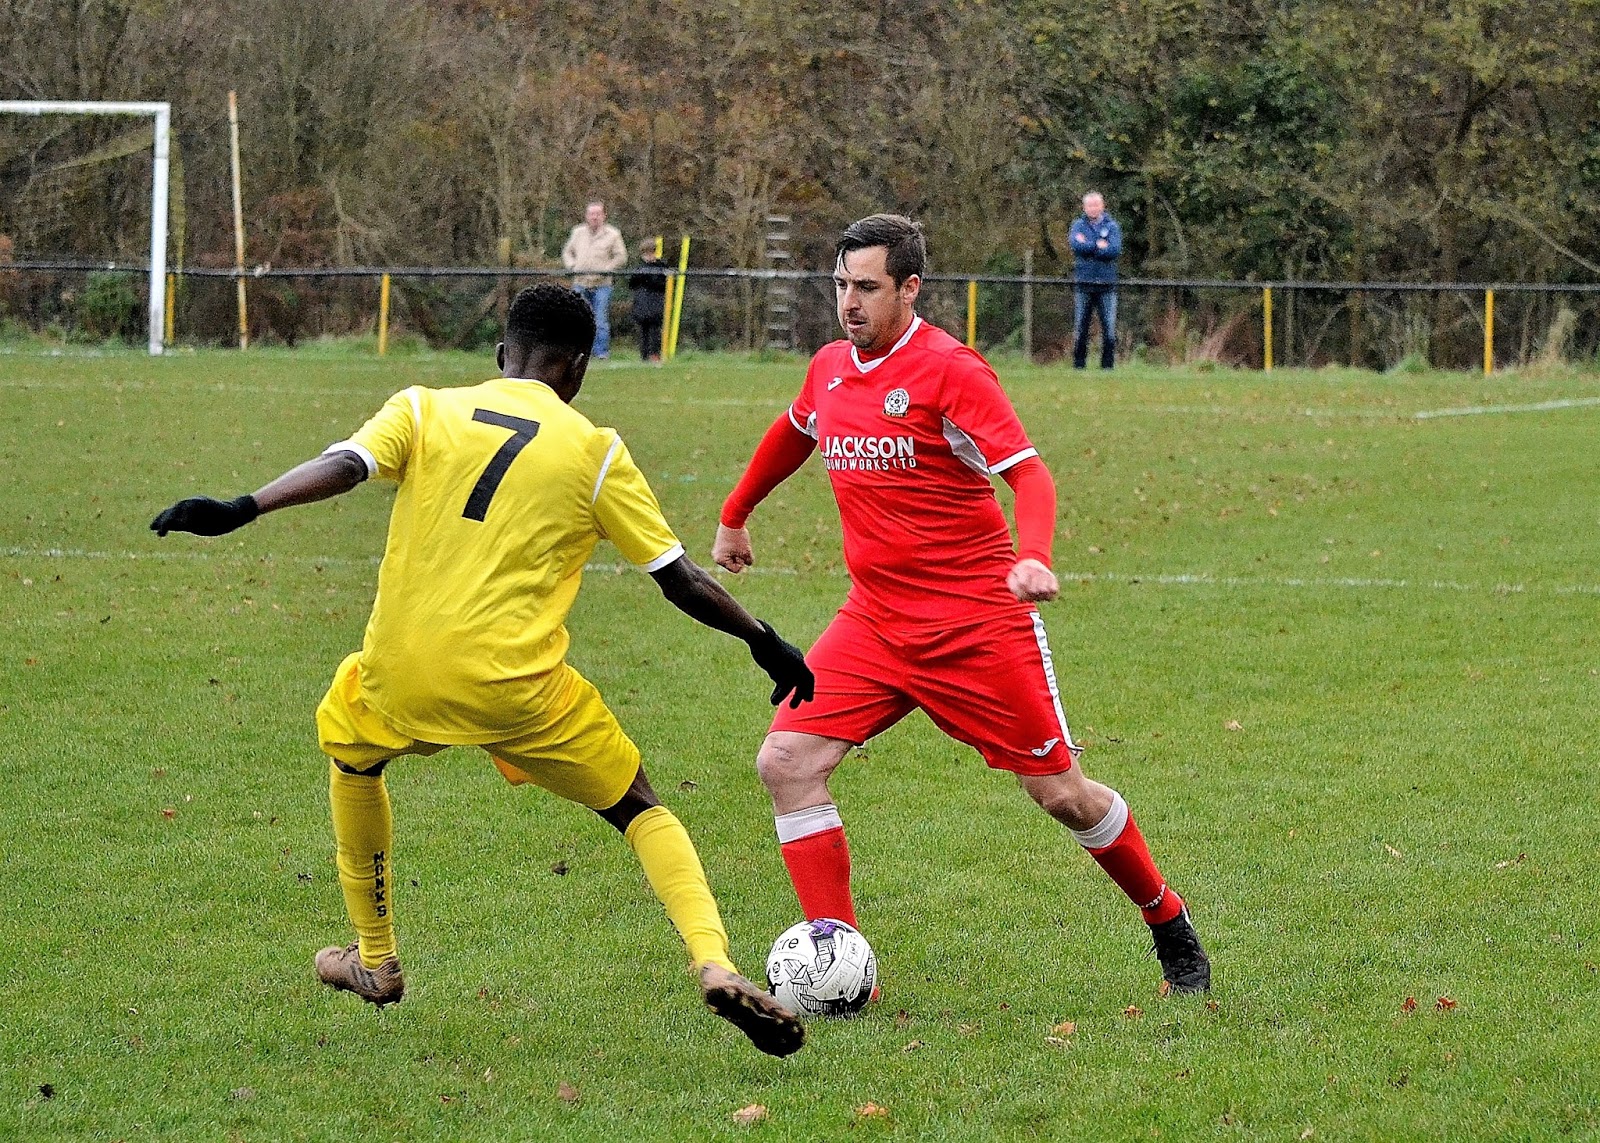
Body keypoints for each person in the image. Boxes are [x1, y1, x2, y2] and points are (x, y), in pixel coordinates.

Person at [150, 283, 815, 1057]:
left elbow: (343, 465)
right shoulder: (594, 449)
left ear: (502, 353)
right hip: (519, 690)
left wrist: (244, 505)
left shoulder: (424, 407)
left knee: (352, 752)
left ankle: (375, 958)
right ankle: (711, 961)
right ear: (576, 371)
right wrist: (765, 640)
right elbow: (680, 578)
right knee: (639, 807)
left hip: (401, 673)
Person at [711, 214, 1210, 995]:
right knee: (786, 762)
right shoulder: (830, 367)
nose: (849, 302)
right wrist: (736, 512)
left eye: (867, 287)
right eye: (841, 284)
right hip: (874, 622)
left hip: (978, 624)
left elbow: (1031, 474)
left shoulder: (952, 370)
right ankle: (842, 963)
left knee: (1063, 795)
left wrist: (1034, 554)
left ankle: (1166, 916)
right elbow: (796, 430)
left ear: (910, 288)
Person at [562, 201, 627, 360]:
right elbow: (567, 252)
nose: (594, 217)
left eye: (598, 214)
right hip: (580, 283)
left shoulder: (613, 234)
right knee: (578, 319)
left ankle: (601, 353)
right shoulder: (577, 232)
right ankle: (580, 352)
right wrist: (572, 266)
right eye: (592, 214)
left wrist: (607, 269)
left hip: (602, 285)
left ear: (604, 215)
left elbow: (621, 257)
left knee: (600, 319)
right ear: (586, 216)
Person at [1069, 191, 1122, 370]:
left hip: (1107, 285)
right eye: (1090, 205)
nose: (1093, 208)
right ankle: (1078, 366)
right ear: (1085, 207)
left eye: (1096, 205)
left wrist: (1089, 246)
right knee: (1080, 329)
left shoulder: (1112, 226)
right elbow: (1076, 246)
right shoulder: (1078, 225)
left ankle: (1107, 367)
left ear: (1102, 206)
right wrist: (1098, 244)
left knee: (1109, 330)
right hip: (1084, 284)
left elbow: (1114, 250)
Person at [629, 249, 669, 363]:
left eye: (651, 253)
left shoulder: (661, 267)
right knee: (643, 332)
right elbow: (632, 284)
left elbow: (661, 284)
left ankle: (655, 354)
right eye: (646, 254)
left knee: (655, 331)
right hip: (642, 304)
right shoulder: (639, 268)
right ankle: (644, 356)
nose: (649, 256)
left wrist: (648, 277)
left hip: (656, 304)